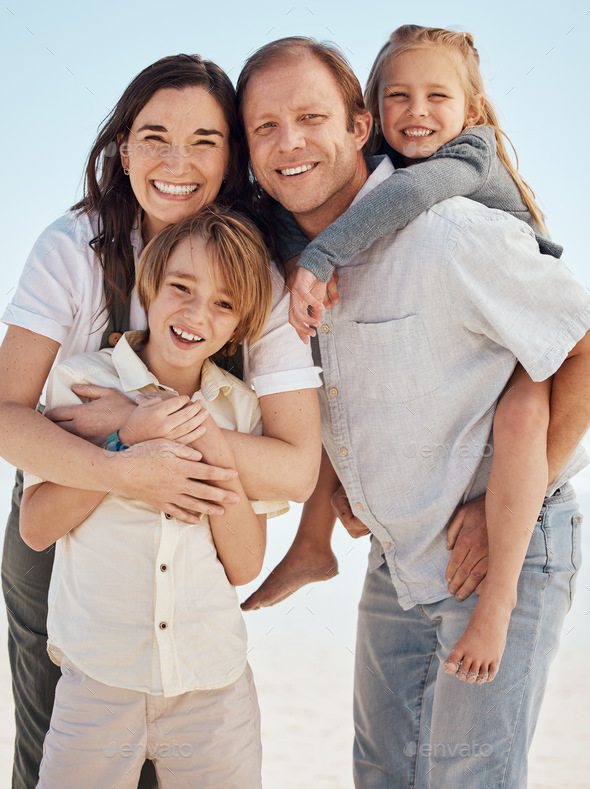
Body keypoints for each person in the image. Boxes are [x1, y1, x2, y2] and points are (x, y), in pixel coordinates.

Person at [237, 35, 590, 787]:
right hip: (397, 560)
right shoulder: (285, 263)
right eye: (265, 126)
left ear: (360, 126)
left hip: (507, 553)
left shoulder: (450, 233)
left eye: (309, 116)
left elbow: (583, 345)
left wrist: (508, 513)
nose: (288, 142)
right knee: (383, 773)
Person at [0, 54, 321, 789]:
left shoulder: (257, 271)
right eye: (155, 137)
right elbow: (5, 414)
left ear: (232, 156)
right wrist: (121, 458)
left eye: (206, 140)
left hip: (192, 553)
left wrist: (159, 424)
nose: (178, 161)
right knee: (47, 753)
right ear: (123, 146)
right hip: (61, 534)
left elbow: (293, 465)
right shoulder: (74, 248)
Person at [20, 207, 282, 789]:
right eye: (181, 288)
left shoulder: (239, 411)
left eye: (223, 303)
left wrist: (196, 435)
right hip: (98, 685)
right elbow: (36, 528)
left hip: (212, 689)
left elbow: (244, 564)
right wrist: (125, 442)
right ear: (150, 287)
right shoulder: (83, 384)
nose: (195, 314)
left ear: (239, 327)